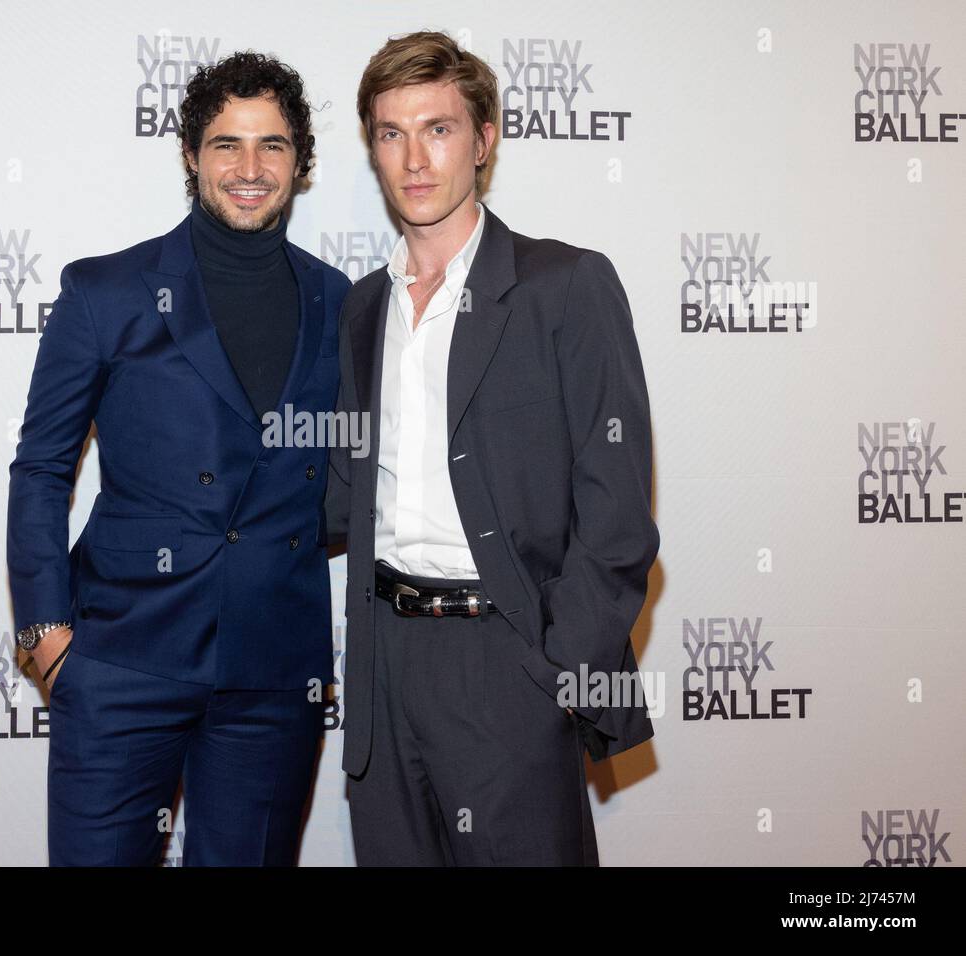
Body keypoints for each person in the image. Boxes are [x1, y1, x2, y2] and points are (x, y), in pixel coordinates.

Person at [7, 51, 351, 866]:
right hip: (124, 657)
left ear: (300, 163)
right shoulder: (106, 292)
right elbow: (42, 467)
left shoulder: (343, 302)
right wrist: (45, 630)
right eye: (226, 144)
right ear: (192, 155)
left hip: (275, 671)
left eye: (272, 145)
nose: (249, 167)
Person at [325, 31, 660, 865]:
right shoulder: (363, 309)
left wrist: (554, 673)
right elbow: (337, 490)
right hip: (384, 666)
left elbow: (617, 513)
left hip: (507, 664)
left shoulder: (565, 286)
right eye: (391, 133)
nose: (414, 158)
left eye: (437, 129)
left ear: (486, 138)